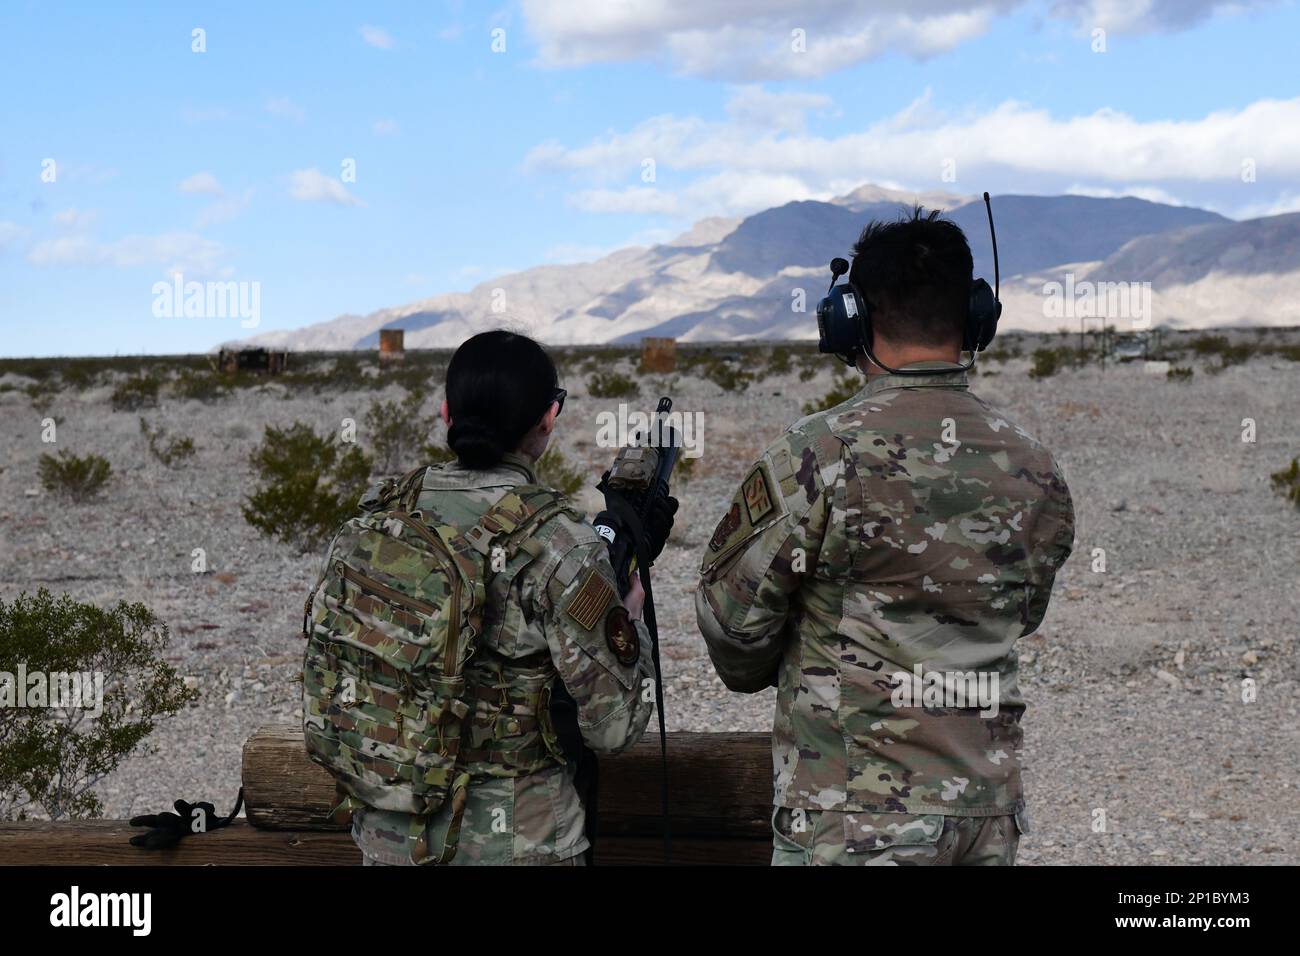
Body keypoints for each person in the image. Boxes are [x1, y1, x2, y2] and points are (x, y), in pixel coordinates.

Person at [695, 208, 1075, 865]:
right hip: (986, 816)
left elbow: (734, 626)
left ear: (850, 319)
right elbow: (1020, 612)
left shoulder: (818, 453)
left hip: (858, 821)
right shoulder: (1034, 465)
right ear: (976, 316)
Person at [344, 330, 662, 865]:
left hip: (391, 836)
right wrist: (631, 626)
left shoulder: (375, 521)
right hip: (517, 842)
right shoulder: (559, 543)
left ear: (446, 413)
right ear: (547, 420)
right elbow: (614, 728)